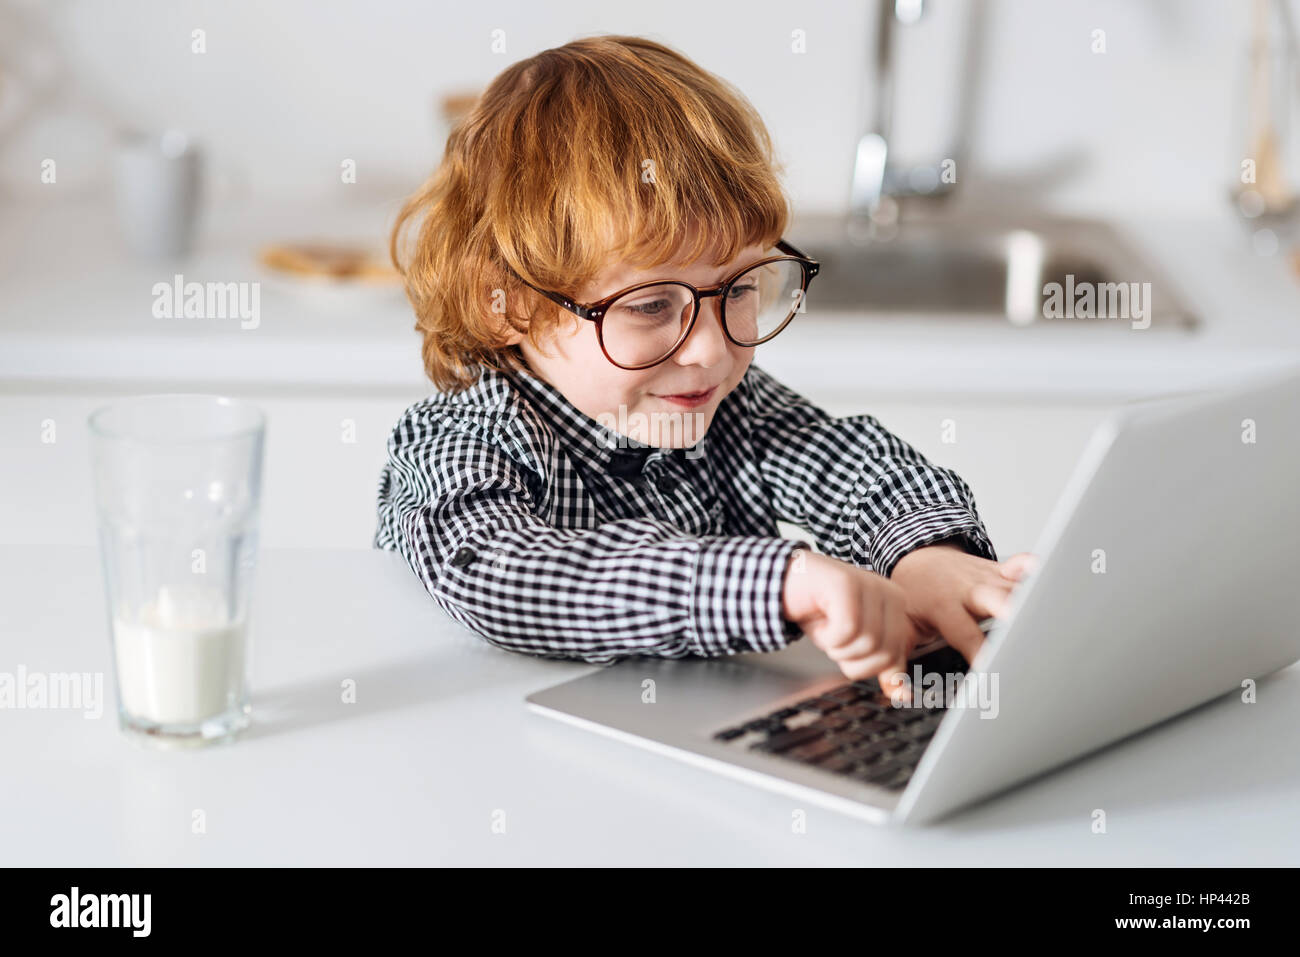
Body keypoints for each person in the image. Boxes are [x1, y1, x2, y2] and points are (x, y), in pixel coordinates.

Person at [374, 34, 1035, 700]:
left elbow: (855, 465)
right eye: (654, 305)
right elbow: (502, 574)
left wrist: (926, 557)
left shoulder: (725, 404)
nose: (712, 350)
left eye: (741, 289)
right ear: (508, 303)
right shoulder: (458, 440)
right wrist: (776, 582)